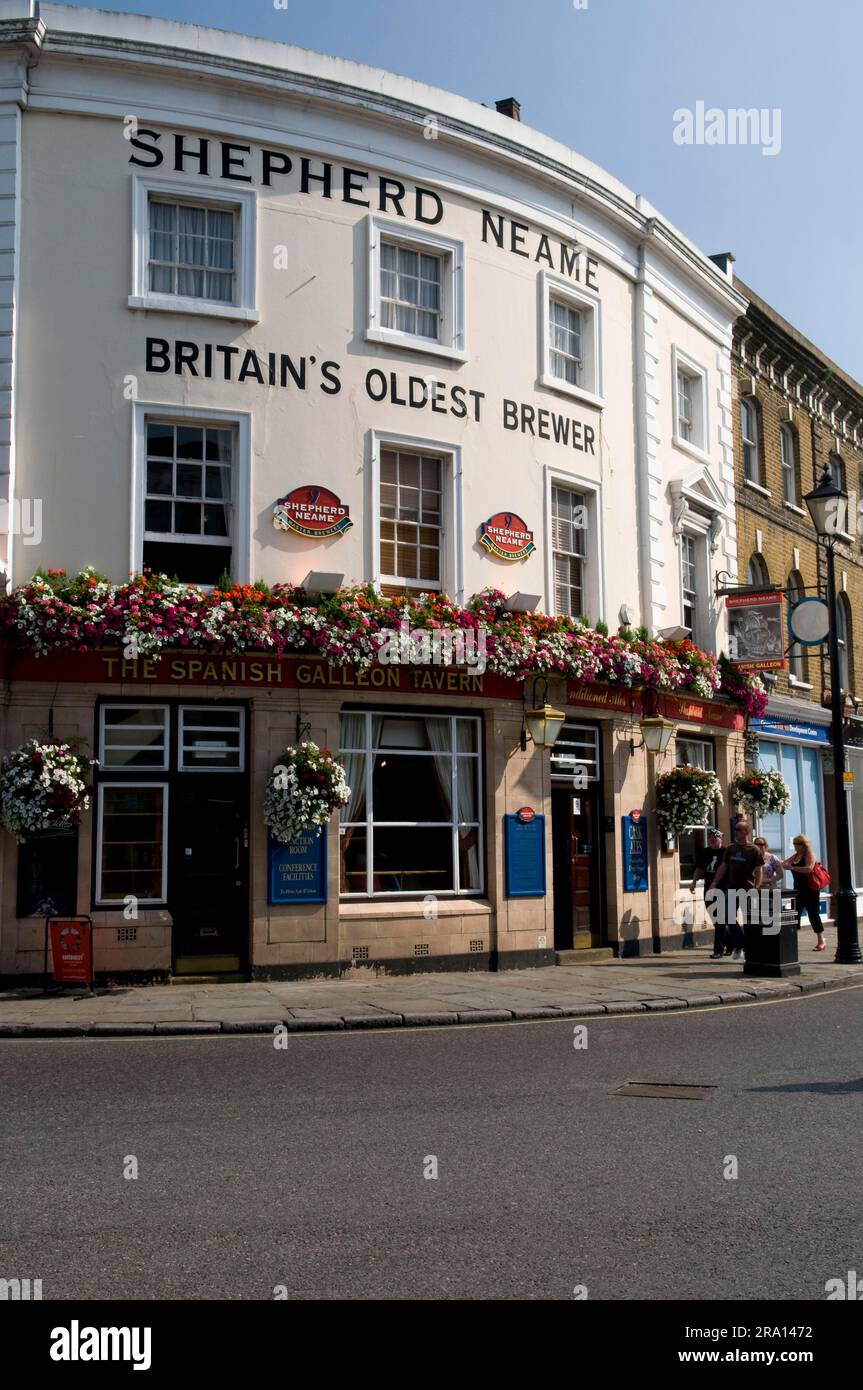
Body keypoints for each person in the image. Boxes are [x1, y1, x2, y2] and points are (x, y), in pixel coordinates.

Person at [710, 817, 765, 962]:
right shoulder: (730, 848)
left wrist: (757, 887)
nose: (735, 831)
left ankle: (748, 950)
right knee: (728, 917)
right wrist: (715, 882)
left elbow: (759, 871)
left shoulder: (754, 850)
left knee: (749, 921)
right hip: (732, 888)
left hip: (747, 889)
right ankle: (741, 942)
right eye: (735, 829)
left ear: (746, 832)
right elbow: (723, 867)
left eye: (738, 829)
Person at [780, 835, 826, 951]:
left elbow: (809, 868)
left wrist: (793, 868)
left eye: (798, 844)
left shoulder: (809, 854)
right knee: (795, 914)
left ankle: (821, 940)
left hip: (811, 889)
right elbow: (784, 864)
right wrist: (784, 864)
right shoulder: (795, 856)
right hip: (798, 889)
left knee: (813, 914)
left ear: (804, 844)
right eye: (795, 844)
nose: (796, 846)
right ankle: (792, 941)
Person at [689, 828, 727, 958]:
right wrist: (693, 882)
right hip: (708, 888)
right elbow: (700, 868)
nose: (711, 840)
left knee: (720, 919)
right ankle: (731, 944)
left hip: (723, 888)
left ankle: (718, 950)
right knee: (716, 919)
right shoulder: (705, 852)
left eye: (714, 838)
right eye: (709, 838)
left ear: (720, 838)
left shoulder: (726, 852)